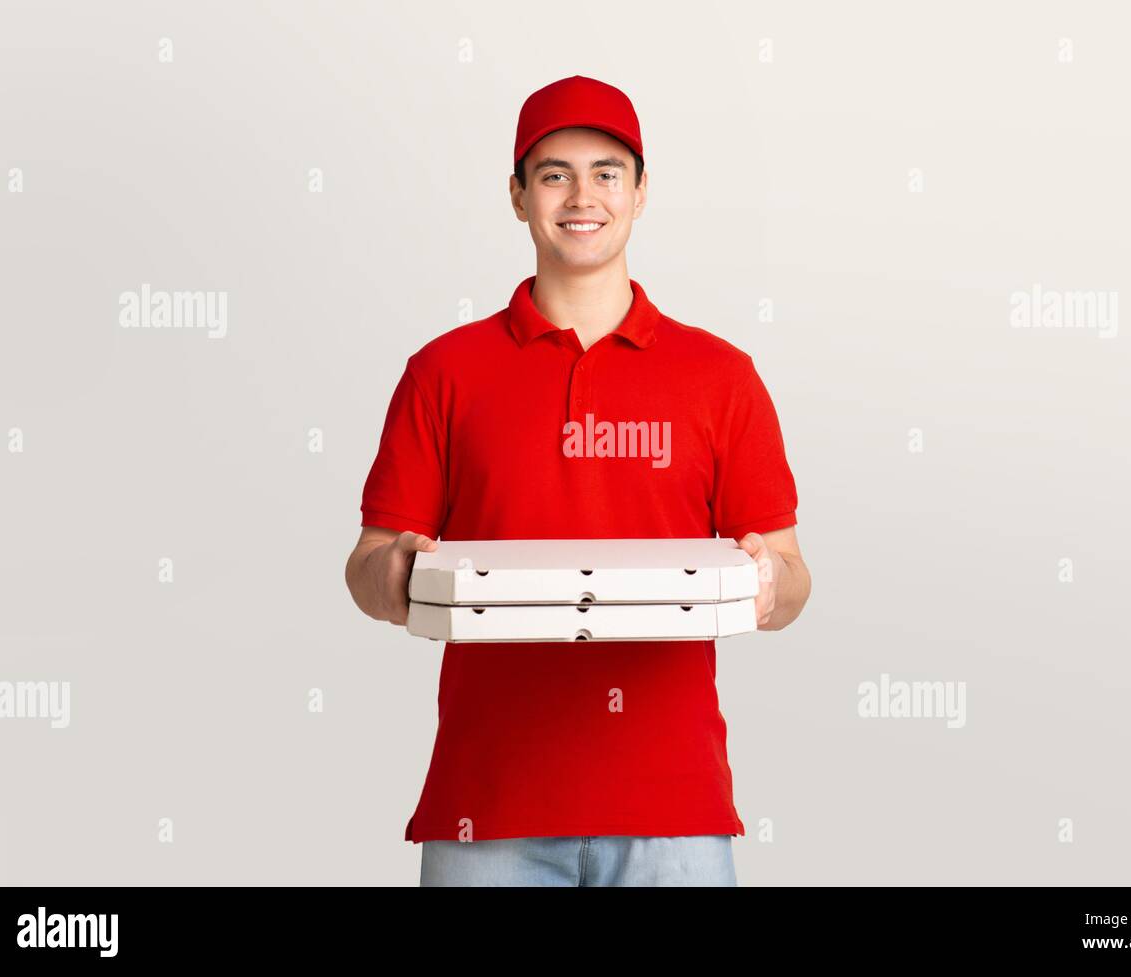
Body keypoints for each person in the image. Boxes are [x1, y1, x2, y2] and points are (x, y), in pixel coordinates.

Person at [344, 75, 811, 886]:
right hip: (487, 812)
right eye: (554, 173)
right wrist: (393, 576)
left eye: (606, 172)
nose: (581, 196)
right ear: (518, 196)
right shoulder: (443, 372)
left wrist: (769, 585)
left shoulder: (720, 377)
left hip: (676, 815)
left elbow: (793, 573)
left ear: (639, 193)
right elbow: (369, 559)